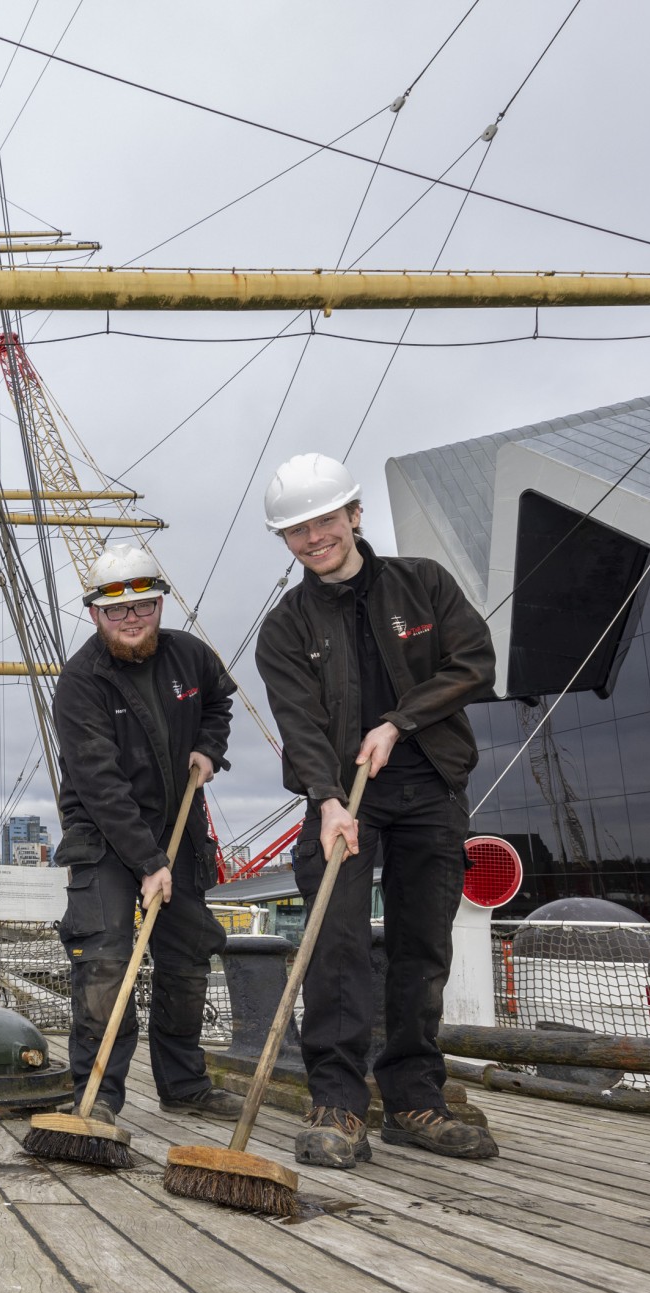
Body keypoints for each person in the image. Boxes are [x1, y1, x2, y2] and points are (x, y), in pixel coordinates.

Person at [254, 452, 499, 1169]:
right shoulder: (285, 627)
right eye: (295, 531)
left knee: (423, 949)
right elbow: (299, 724)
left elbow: (474, 662)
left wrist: (399, 721)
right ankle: (337, 1101)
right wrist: (327, 800)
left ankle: (416, 1098)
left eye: (325, 520)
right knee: (337, 949)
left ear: (354, 516)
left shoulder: (422, 583)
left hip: (430, 789)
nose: (313, 538)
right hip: (341, 804)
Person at [51, 542, 244, 1122]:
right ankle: (98, 1096)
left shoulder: (192, 657)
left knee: (186, 958)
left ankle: (185, 1086)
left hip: (178, 829)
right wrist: (146, 860)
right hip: (106, 836)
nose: (131, 619)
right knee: (105, 962)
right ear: (94, 614)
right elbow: (99, 784)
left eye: (142, 606)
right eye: (116, 611)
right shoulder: (82, 682)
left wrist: (209, 748)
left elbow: (218, 706)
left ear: (160, 604)